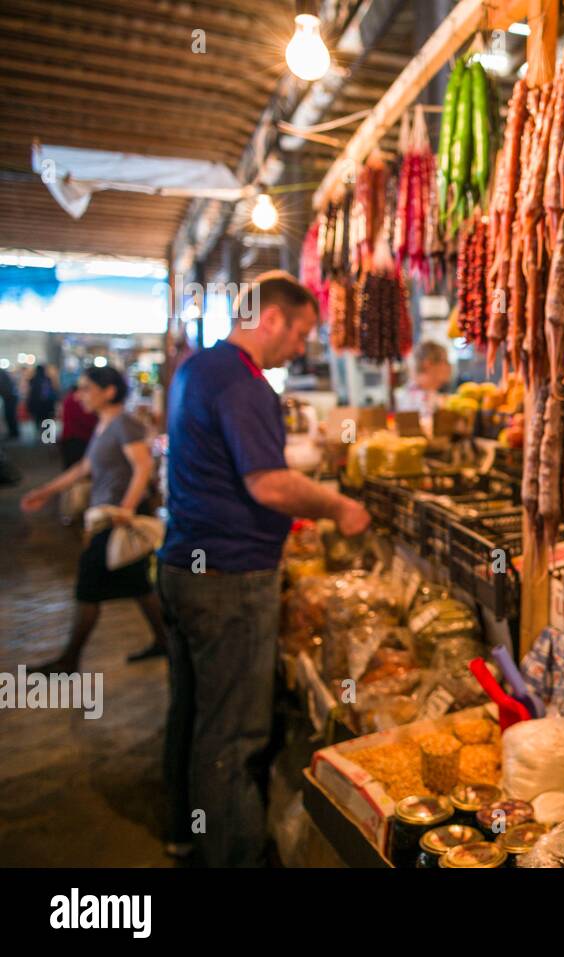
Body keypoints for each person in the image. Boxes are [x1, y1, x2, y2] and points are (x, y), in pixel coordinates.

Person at [158, 270, 370, 867]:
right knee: (235, 733)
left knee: (193, 710)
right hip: (229, 577)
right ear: (271, 318)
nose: (300, 347)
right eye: (300, 331)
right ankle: (233, 857)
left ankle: (184, 832)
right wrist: (337, 507)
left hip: (183, 565)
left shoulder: (199, 367)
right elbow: (269, 484)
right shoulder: (245, 382)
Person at [20, 366, 169, 671]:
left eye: (86, 388)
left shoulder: (125, 425)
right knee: (138, 585)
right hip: (110, 516)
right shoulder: (105, 425)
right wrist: (46, 492)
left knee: (89, 584)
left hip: (116, 518)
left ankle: (70, 658)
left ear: (109, 391)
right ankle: (165, 642)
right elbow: (83, 468)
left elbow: (143, 468)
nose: (79, 395)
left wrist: (125, 510)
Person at [60, 387, 98, 468]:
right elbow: (87, 420)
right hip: (77, 440)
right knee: (78, 468)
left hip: (71, 439)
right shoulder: (76, 401)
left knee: (72, 467)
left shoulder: (69, 399)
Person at [25, 364, 58, 438]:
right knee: (47, 419)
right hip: (46, 405)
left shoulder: (32, 380)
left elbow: (30, 393)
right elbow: (52, 391)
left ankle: (39, 435)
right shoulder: (47, 379)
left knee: (37, 420)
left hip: (36, 405)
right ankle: (47, 437)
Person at [0, 367, 18, 439]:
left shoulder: (1, 373)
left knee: (10, 415)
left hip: (10, 397)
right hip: (9, 396)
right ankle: (13, 432)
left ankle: (14, 433)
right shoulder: (2, 372)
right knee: (10, 415)